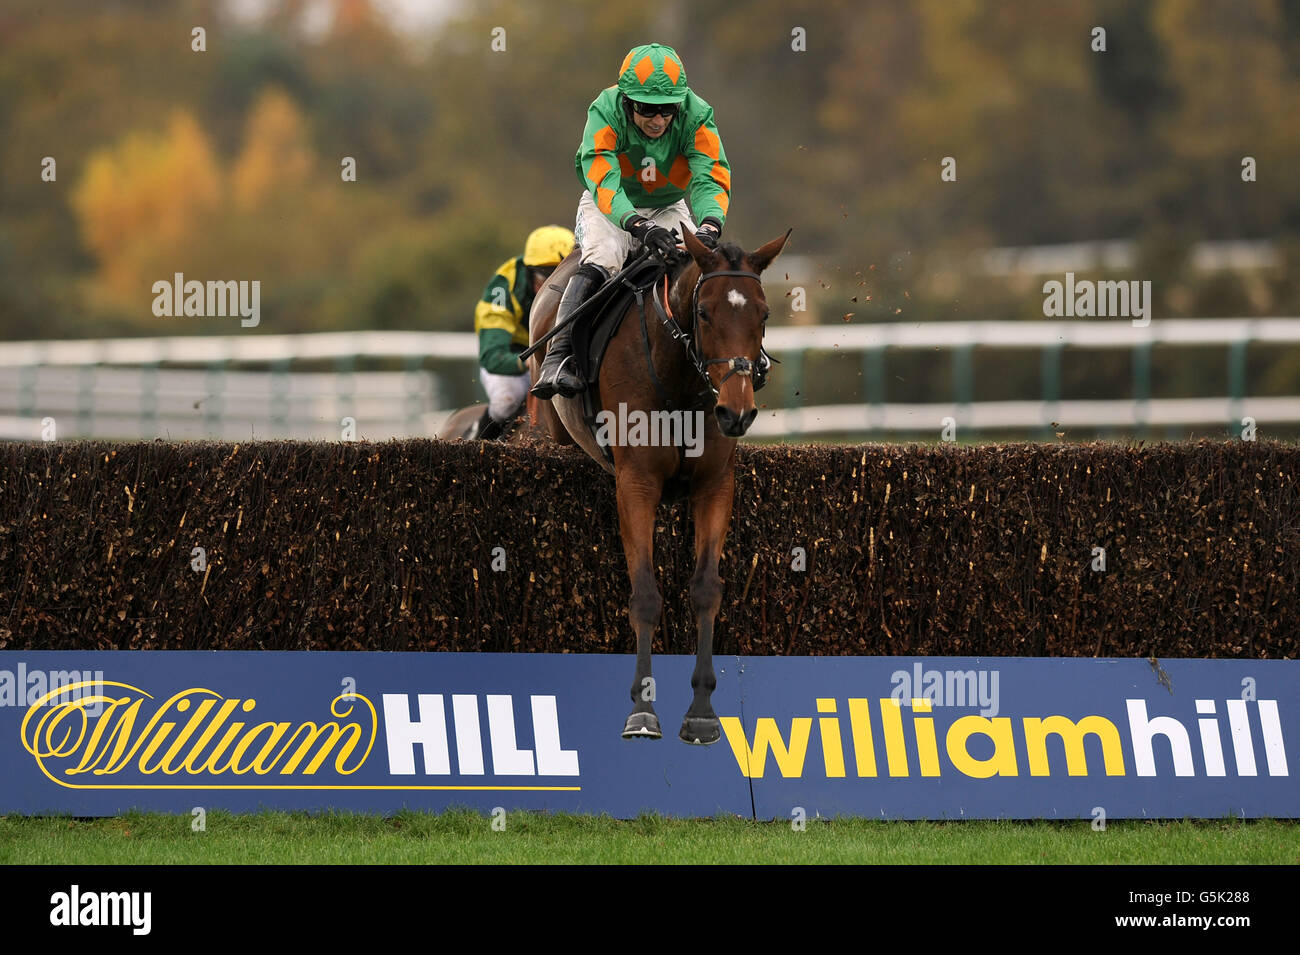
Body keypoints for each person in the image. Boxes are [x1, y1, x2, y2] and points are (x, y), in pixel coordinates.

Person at [531, 42, 732, 400]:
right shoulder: (605, 109)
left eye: (667, 111)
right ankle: (559, 356)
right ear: (627, 101)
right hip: (608, 206)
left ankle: (717, 365)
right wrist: (636, 225)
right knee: (605, 256)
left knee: (693, 268)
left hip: (669, 204)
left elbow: (709, 174)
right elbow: (602, 175)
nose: (658, 121)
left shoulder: (697, 114)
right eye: (647, 109)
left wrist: (710, 224)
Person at [473, 225, 575, 438]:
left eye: (564, 275)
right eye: (546, 276)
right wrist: (526, 362)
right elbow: (492, 355)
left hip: (562, 353)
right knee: (506, 402)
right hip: (515, 355)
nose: (555, 286)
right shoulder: (503, 288)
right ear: (528, 272)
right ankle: (477, 445)